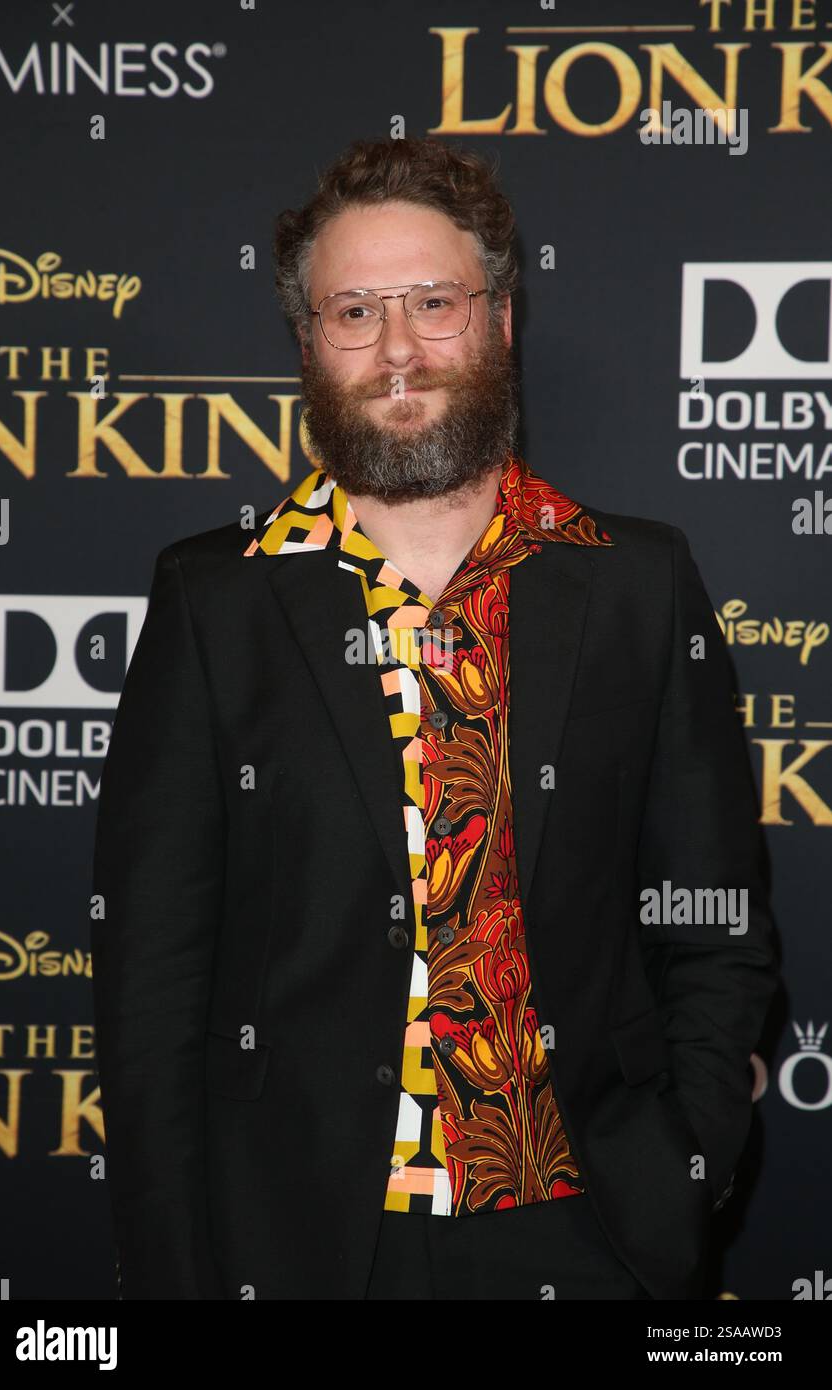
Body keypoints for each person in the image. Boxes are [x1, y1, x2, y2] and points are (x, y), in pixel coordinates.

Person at [91, 135, 779, 1301]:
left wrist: (684, 1157)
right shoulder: (214, 599)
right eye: (354, 310)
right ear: (308, 345)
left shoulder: (633, 583)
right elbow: (150, 983)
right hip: (299, 1239)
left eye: (432, 302)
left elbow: (713, 921)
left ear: (500, 321)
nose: (398, 347)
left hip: (590, 1225)